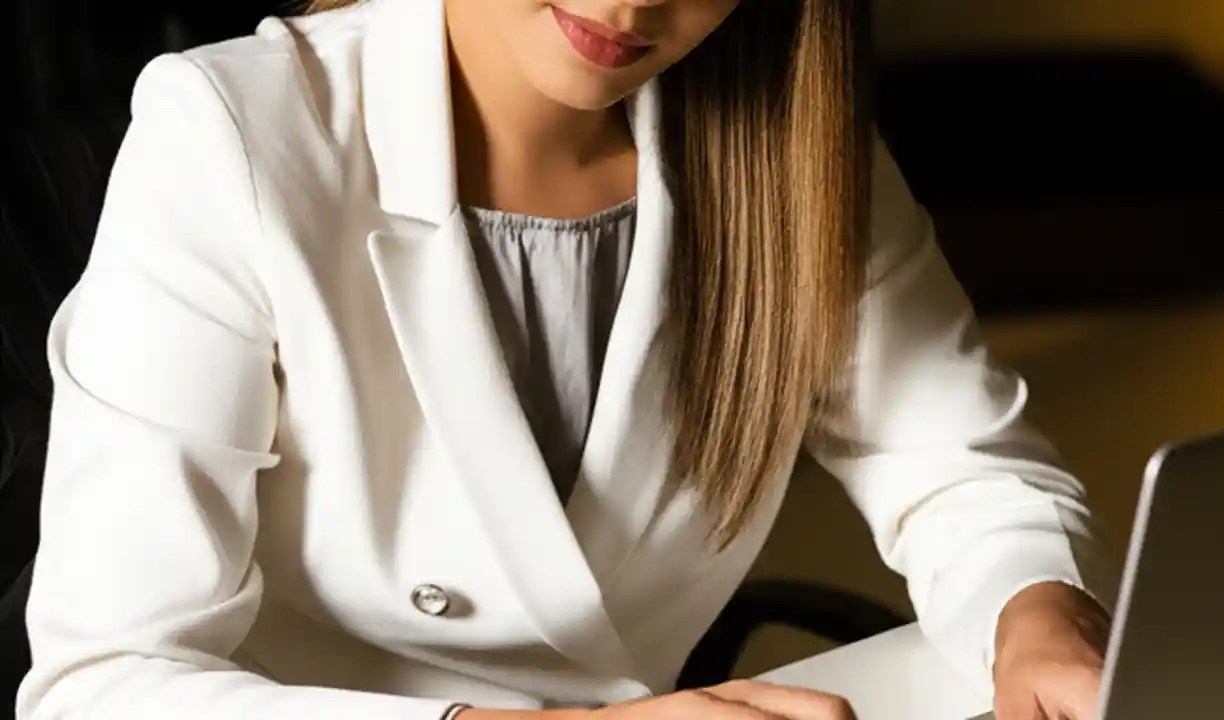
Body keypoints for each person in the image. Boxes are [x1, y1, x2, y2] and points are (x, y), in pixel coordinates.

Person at [16, 0, 1114, 718]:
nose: (631, 1)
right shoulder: (229, 134)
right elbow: (100, 684)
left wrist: (1033, 608)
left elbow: (967, 473)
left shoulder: (794, 150)